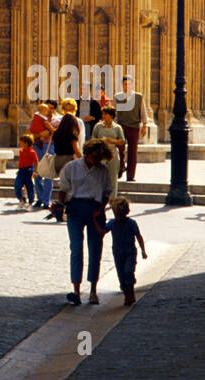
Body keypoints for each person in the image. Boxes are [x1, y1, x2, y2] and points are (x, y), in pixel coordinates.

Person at [54, 139, 113, 306]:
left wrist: (100, 209)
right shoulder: (71, 167)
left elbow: (107, 192)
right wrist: (60, 205)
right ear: (87, 154)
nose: (96, 161)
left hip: (95, 210)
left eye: (99, 159)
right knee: (76, 248)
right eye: (94, 157)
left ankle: (93, 290)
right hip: (75, 208)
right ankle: (76, 290)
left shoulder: (103, 170)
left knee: (95, 249)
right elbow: (63, 189)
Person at [105, 198, 147, 306]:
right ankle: (127, 295)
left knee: (128, 272)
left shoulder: (131, 223)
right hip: (118, 254)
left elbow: (139, 236)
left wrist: (143, 250)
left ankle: (130, 294)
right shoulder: (112, 223)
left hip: (130, 252)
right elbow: (103, 231)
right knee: (121, 276)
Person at [46, 100, 82, 222]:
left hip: (59, 159)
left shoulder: (58, 133)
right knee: (71, 187)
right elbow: (75, 148)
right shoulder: (71, 134)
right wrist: (83, 159)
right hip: (69, 160)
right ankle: (65, 210)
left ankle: (59, 208)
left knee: (63, 185)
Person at [113, 88, 148, 182]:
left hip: (134, 127)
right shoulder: (117, 97)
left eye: (128, 84)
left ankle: (130, 175)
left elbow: (143, 111)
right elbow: (114, 113)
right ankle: (120, 168)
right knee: (119, 150)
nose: (126, 87)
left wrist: (144, 125)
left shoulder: (138, 97)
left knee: (133, 152)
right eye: (125, 84)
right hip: (121, 127)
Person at [93, 105, 126, 200]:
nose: (103, 116)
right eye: (103, 114)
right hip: (101, 152)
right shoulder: (98, 126)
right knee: (99, 175)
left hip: (113, 153)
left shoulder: (117, 127)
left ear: (111, 115)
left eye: (105, 114)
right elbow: (93, 139)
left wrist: (112, 140)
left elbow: (122, 141)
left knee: (113, 177)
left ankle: (112, 198)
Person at [29, 100, 57, 210]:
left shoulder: (56, 121)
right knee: (36, 172)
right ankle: (40, 198)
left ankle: (46, 200)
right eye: (46, 107)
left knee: (48, 174)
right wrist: (40, 134)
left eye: (50, 108)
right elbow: (30, 133)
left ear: (54, 109)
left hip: (49, 146)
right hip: (37, 145)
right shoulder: (36, 118)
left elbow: (57, 134)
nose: (47, 110)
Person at [15, 133, 38, 208]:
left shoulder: (32, 152)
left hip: (28, 170)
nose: (19, 143)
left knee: (29, 187)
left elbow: (36, 162)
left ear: (26, 143)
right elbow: (21, 161)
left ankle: (31, 202)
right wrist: (19, 169)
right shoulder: (21, 151)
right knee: (17, 186)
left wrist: (35, 171)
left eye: (21, 142)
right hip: (21, 171)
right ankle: (21, 200)